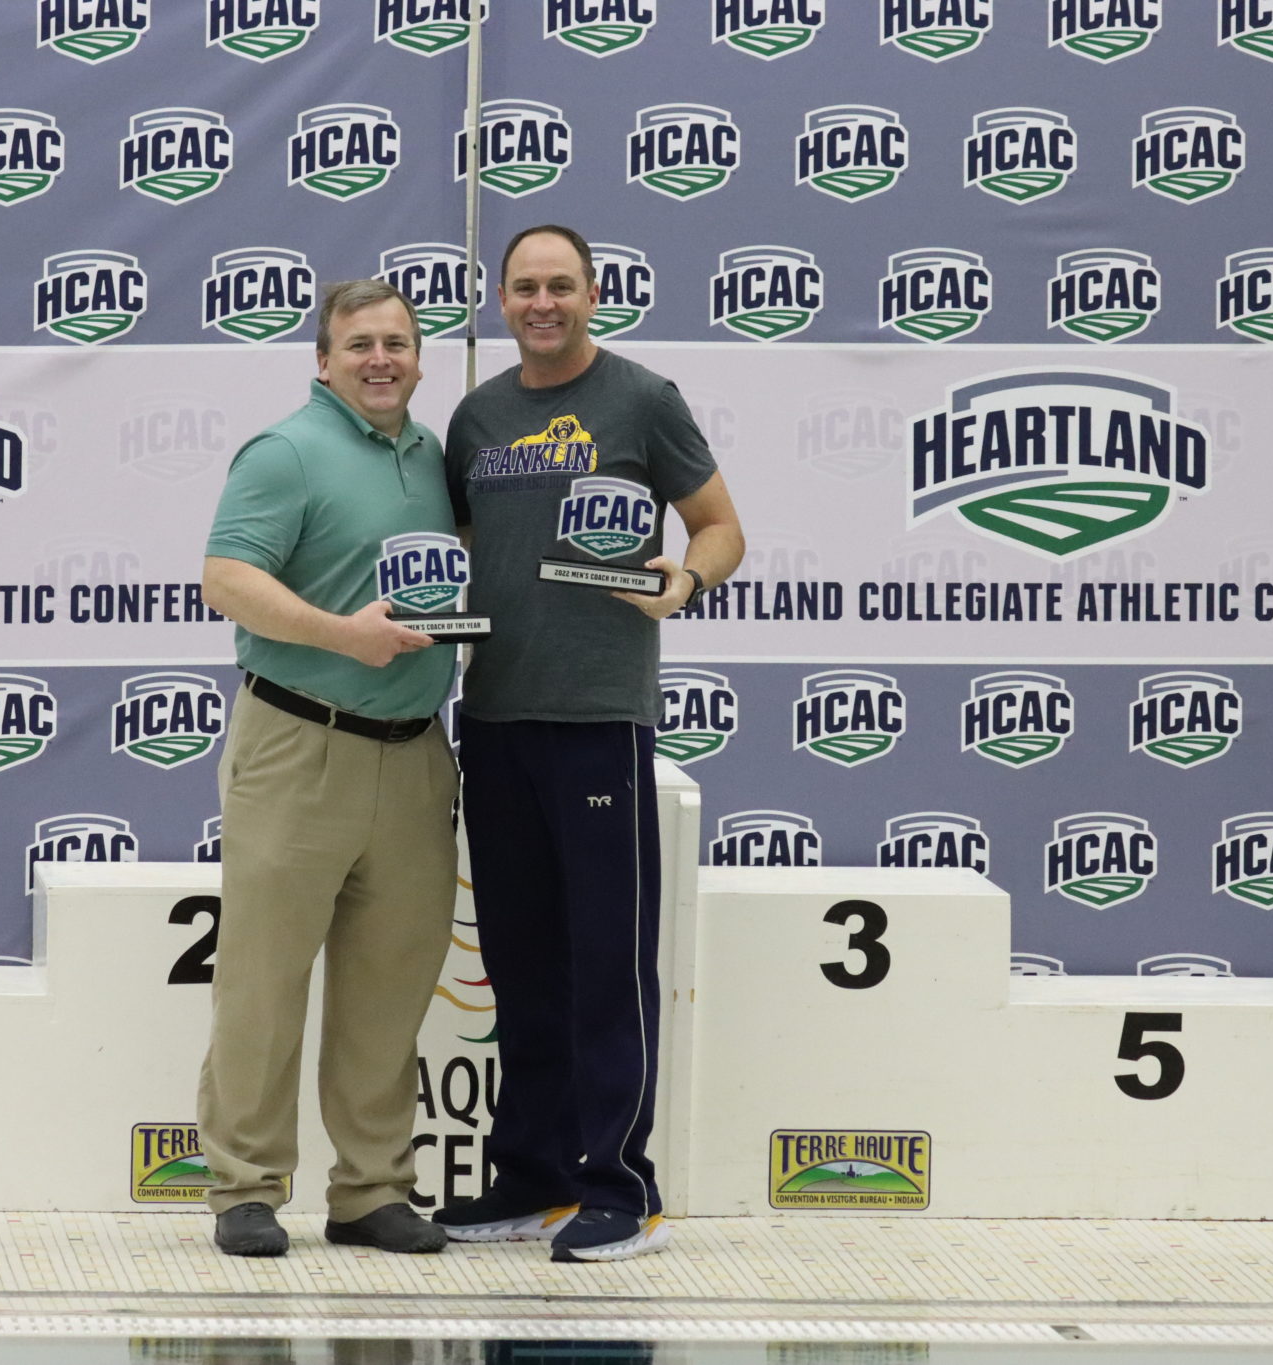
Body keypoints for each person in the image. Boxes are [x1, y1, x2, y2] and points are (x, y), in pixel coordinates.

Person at [434, 225, 744, 1262]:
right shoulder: (476, 415)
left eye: (560, 285)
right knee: (518, 963)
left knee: (605, 963)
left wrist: (685, 578)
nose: (542, 302)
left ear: (593, 293)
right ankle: (532, 1177)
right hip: (493, 716)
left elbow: (720, 527)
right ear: (500, 298)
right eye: (524, 286)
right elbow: (461, 548)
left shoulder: (641, 399)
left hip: (598, 719)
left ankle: (622, 1186)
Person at [195, 278, 461, 1258]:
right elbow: (227, 578)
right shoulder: (285, 452)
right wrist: (342, 636)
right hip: (299, 744)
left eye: (396, 343)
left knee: (389, 989)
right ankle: (244, 1187)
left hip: (414, 751)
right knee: (263, 983)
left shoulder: (433, 458)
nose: (380, 359)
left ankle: (370, 1191)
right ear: (322, 359)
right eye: (359, 345)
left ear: (419, 358)